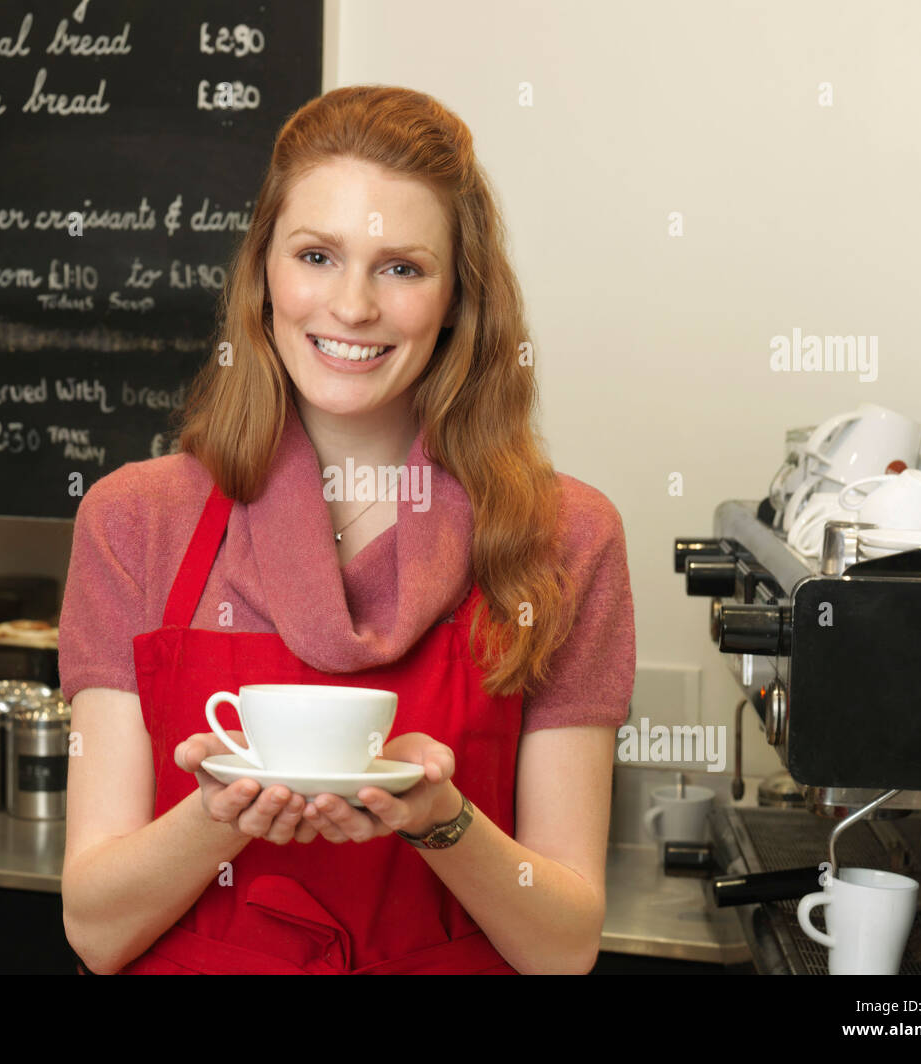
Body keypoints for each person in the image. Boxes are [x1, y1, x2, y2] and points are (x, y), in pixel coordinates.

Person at [58, 85, 636, 975]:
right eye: (318, 255)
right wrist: (219, 814)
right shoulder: (135, 521)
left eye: (401, 267)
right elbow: (97, 931)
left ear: (456, 299)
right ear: (263, 276)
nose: (353, 307)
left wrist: (442, 822)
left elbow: (562, 946)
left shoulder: (568, 537)